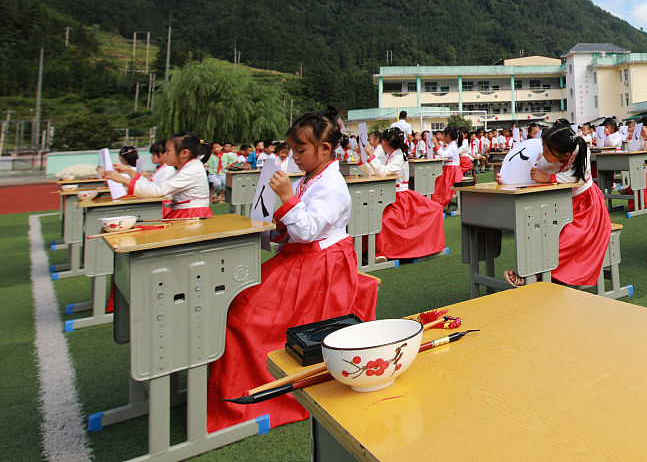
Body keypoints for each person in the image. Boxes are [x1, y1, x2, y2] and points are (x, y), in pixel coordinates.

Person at [207, 107, 379, 432]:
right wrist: (275, 220)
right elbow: (296, 228)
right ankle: (244, 389)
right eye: (293, 150)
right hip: (302, 260)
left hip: (321, 267)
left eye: (300, 150)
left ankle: (258, 393)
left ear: (324, 150)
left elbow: (307, 230)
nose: (295, 157)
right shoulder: (313, 178)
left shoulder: (333, 185)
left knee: (246, 316)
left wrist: (286, 196)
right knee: (242, 306)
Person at [502, 120, 609, 289]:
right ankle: (536, 271)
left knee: (565, 238)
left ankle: (536, 274)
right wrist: (508, 178)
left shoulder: (582, 153)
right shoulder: (549, 150)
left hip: (585, 206)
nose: (542, 154)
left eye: (546, 152)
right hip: (554, 202)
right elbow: (528, 167)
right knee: (537, 232)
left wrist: (548, 178)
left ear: (565, 156)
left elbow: (577, 178)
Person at [361, 128, 444, 260]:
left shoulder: (398, 157)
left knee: (384, 220)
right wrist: (364, 160)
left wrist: (370, 157)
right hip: (388, 195)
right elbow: (376, 171)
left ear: (384, 142)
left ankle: (383, 251)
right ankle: (370, 249)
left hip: (399, 197)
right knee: (370, 216)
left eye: (382, 141)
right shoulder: (389, 155)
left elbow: (382, 172)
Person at [105, 132, 212, 219]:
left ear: (184, 153)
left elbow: (158, 190)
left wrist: (124, 180)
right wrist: (129, 173)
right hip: (189, 213)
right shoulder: (189, 168)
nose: (164, 155)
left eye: (168, 151)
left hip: (192, 215)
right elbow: (155, 186)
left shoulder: (192, 169)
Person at [431, 129, 464, 209]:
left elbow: (443, 154)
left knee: (443, 189)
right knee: (439, 185)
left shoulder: (452, 146)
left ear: (448, 136)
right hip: (449, 170)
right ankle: (435, 203)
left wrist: (436, 144)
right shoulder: (451, 145)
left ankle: (437, 205)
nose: (442, 137)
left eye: (443, 135)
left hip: (452, 171)